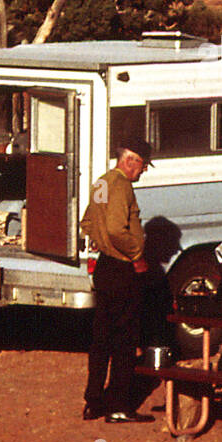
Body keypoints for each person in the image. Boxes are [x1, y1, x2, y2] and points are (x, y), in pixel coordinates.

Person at [79, 137, 155, 423]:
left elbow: (88, 222)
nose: (143, 171)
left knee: (101, 339)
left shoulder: (102, 182)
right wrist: (136, 254)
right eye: (143, 165)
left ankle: (93, 400)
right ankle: (119, 406)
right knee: (125, 341)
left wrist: (101, 242)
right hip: (123, 270)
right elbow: (115, 228)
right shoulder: (122, 186)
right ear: (130, 160)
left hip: (104, 270)